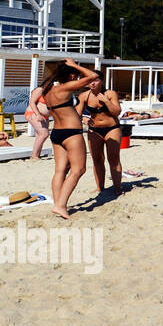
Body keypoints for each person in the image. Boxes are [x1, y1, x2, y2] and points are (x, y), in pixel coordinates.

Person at [41, 59, 100, 219]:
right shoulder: (64, 87)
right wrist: (74, 65)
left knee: (60, 170)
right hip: (71, 132)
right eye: (75, 75)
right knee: (79, 169)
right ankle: (60, 205)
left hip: (57, 133)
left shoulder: (47, 89)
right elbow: (93, 76)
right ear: (71, 74)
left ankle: (58, 203)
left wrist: (70, 67)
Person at [80, 80, 124, 194]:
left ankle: (117, 188)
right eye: (90, 81)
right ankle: (100, 187)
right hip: (94, 129)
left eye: (95, 80)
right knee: (97, 160)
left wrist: (106, 101)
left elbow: (117, 112)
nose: (92, 83)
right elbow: (76, 112)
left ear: (101, 81)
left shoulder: (110, 94)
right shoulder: (84, 96)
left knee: (113, 159)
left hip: (112, 128)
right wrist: (83, 118)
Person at [24, 84, 51, 160]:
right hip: (33, 113)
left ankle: (36, 155)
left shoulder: (51, 91)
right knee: (44, 134)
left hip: (44, 116)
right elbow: (32, 102)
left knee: (40, 135)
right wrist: (38, 114)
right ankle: (34, 156)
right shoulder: (39, 89)